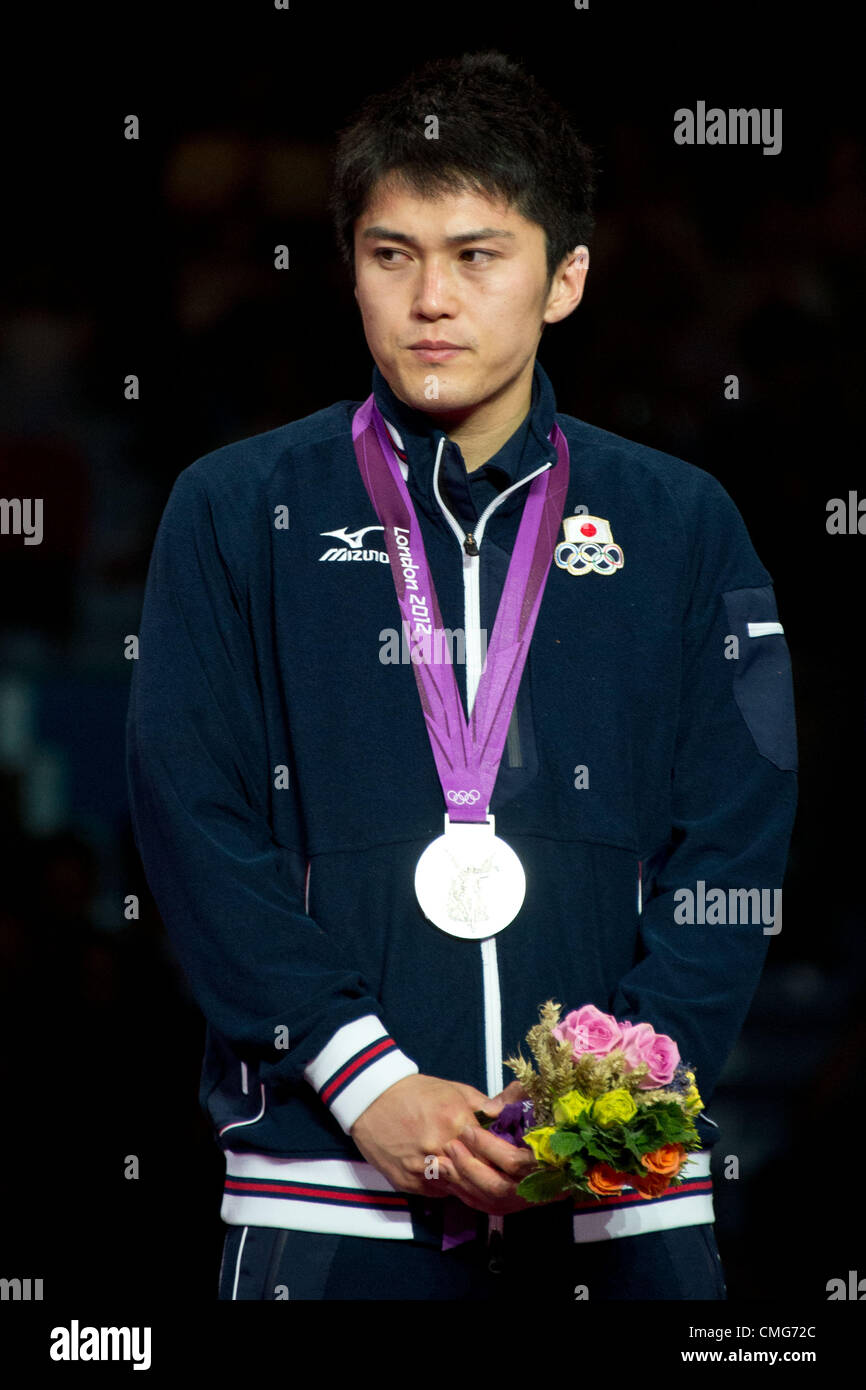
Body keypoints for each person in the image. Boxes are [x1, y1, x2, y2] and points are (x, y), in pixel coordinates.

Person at [126, 50, 797, 1301]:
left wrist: (615, 1103)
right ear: (353, 271)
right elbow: (192, 820)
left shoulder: (679, 521)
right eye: (393, 255)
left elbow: (735, 843)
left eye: (477, 254)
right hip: (326, 1186)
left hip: (619, 1204)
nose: (430, 297)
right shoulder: (235, 510)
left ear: (566, 278)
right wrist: (363, 1078)